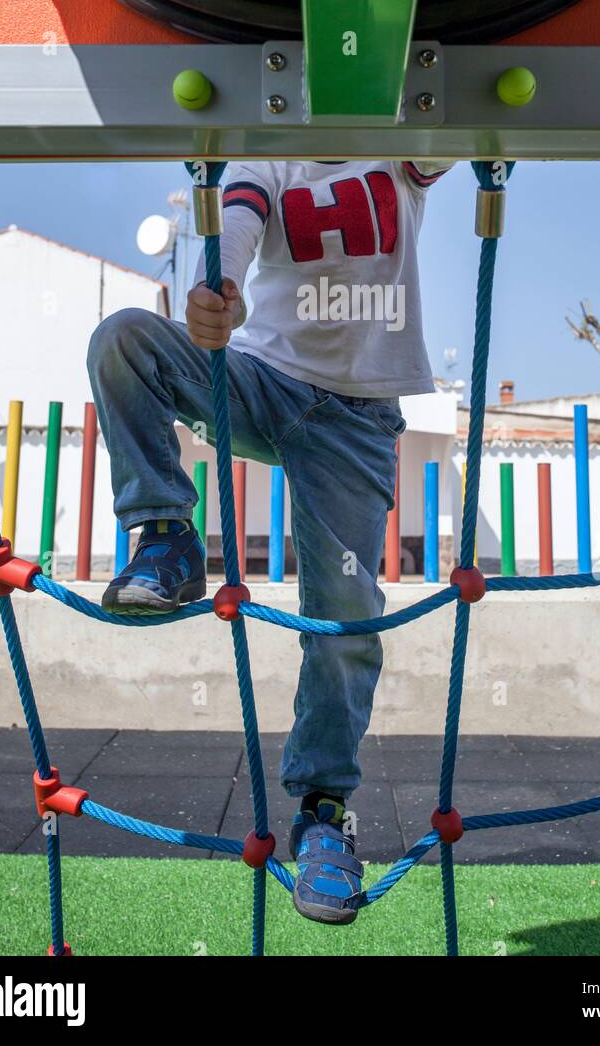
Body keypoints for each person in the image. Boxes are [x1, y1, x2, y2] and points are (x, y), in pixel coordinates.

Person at [87, 158, 452, 923]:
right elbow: (241, 211)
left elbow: (446, 128)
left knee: (345, 616)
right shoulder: (270, 146)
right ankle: (164, 537)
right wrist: (213, 287)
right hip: (262, 379)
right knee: (125, 340)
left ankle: (324, 816)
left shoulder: (397, 146)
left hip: (356, 418)